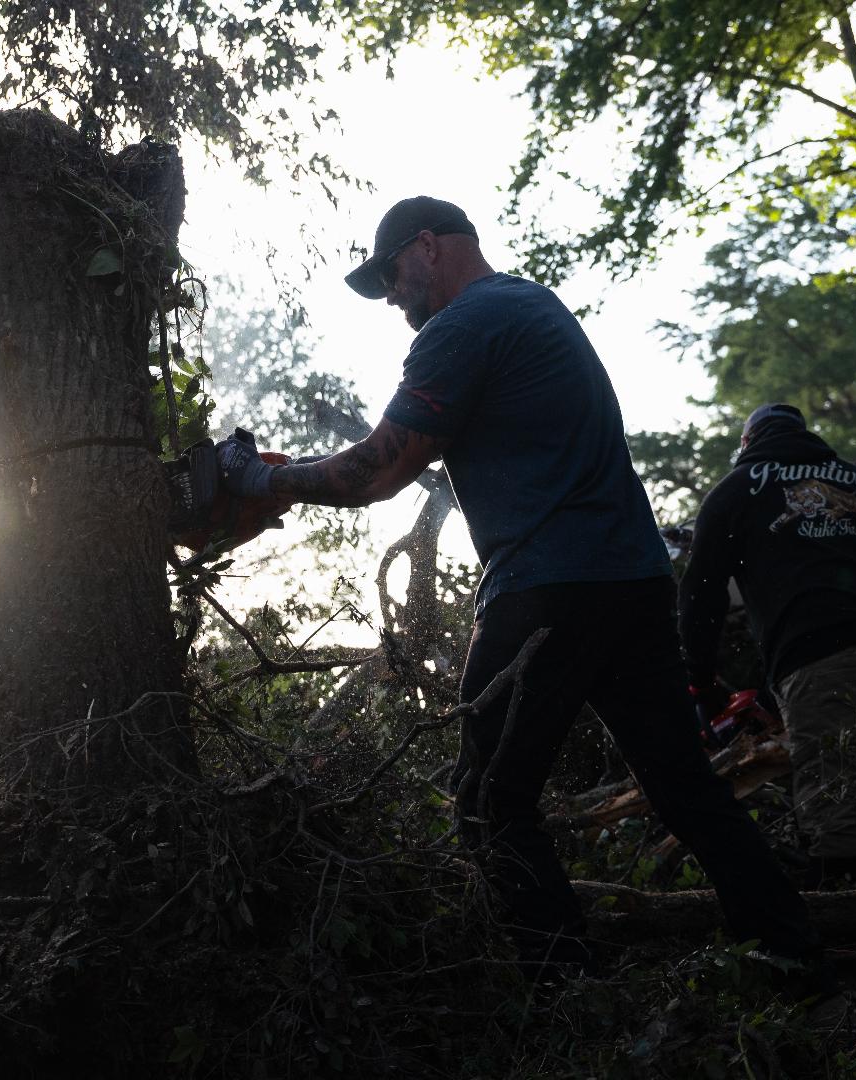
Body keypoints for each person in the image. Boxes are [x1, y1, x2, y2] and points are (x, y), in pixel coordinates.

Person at [213, 197, 824, 987]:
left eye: (392, 275)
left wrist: (263, 480)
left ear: (428, 247)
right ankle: (794, 951)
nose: (393, 297)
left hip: (548, 586)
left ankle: (566, 992)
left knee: (489, 799)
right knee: (682, 782)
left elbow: (381, 469)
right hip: (631, 578)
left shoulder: (465, 325)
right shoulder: (533, 305)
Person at [678, 404, 856, 879]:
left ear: (747, 443)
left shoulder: (736, 490)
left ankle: (845, 911)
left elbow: (700, 595)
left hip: (813, 652)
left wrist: (701, 683)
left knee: (830, 789)